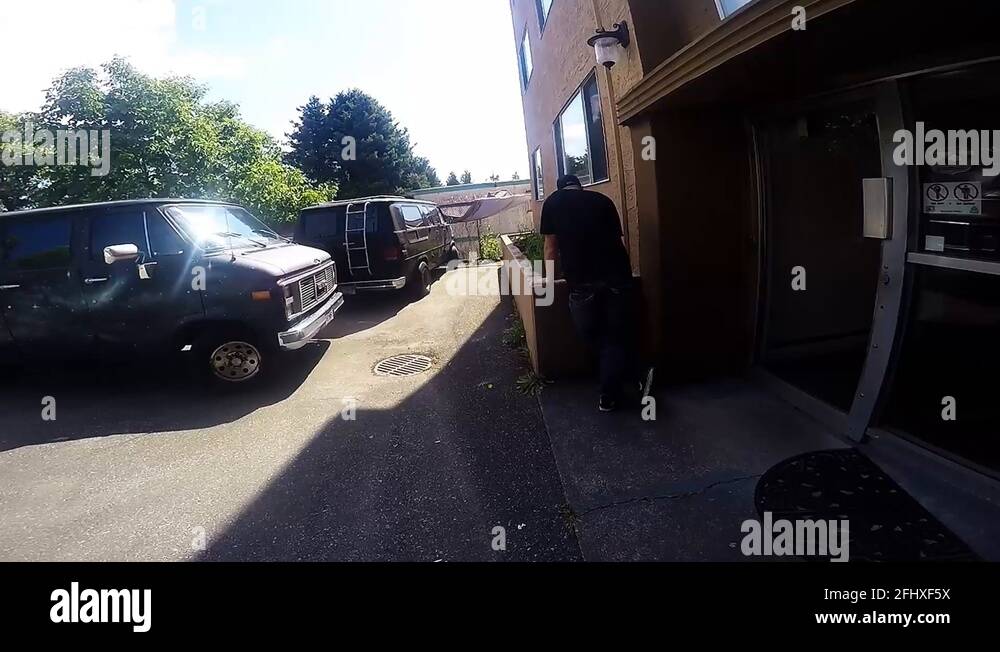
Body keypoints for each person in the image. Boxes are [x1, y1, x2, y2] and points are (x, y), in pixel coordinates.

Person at [540, 174, 653, 412]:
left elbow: (551, 248)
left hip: (582, 284)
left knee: (594, 336)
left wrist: (549, 283)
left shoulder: (552, 203)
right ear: (580, 187)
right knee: (617, 336)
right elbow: (618, 243)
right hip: (618, 280)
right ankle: (630, 377)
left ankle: (610, 391)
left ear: (561, 189)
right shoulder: (603, 200)